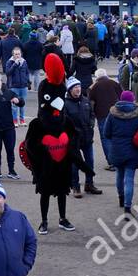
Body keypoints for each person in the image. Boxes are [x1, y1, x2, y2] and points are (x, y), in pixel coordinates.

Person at [26, 60, 91, 233]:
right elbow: (30, 145)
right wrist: (39, 157)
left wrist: (76, 157)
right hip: (45, 166)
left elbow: (74, 140)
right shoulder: (37, 124)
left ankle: (62, 218)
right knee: (45, 193)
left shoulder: (65, 122)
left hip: (62, 164)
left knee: (63, 192)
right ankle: (44, 220)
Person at [101, 89, 138, 214]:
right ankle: (127, 206)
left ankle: (121, 198)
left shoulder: (112, 114)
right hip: (132, 150)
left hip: (116, 150)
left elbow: (106, 133)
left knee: (119, 175)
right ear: (133, 100)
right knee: (129, 179)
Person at [64, 77, 102, 197]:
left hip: (87, 137)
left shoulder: (86, 100)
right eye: (75, 87)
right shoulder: (66, 104)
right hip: (73, 140)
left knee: (90, 162)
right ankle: (75, 187)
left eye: (79, 86)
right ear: (70, 90)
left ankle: (89, 184)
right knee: (75, 165)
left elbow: (92, 114)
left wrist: (91, 124)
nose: (78, 89)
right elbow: (63, 121)